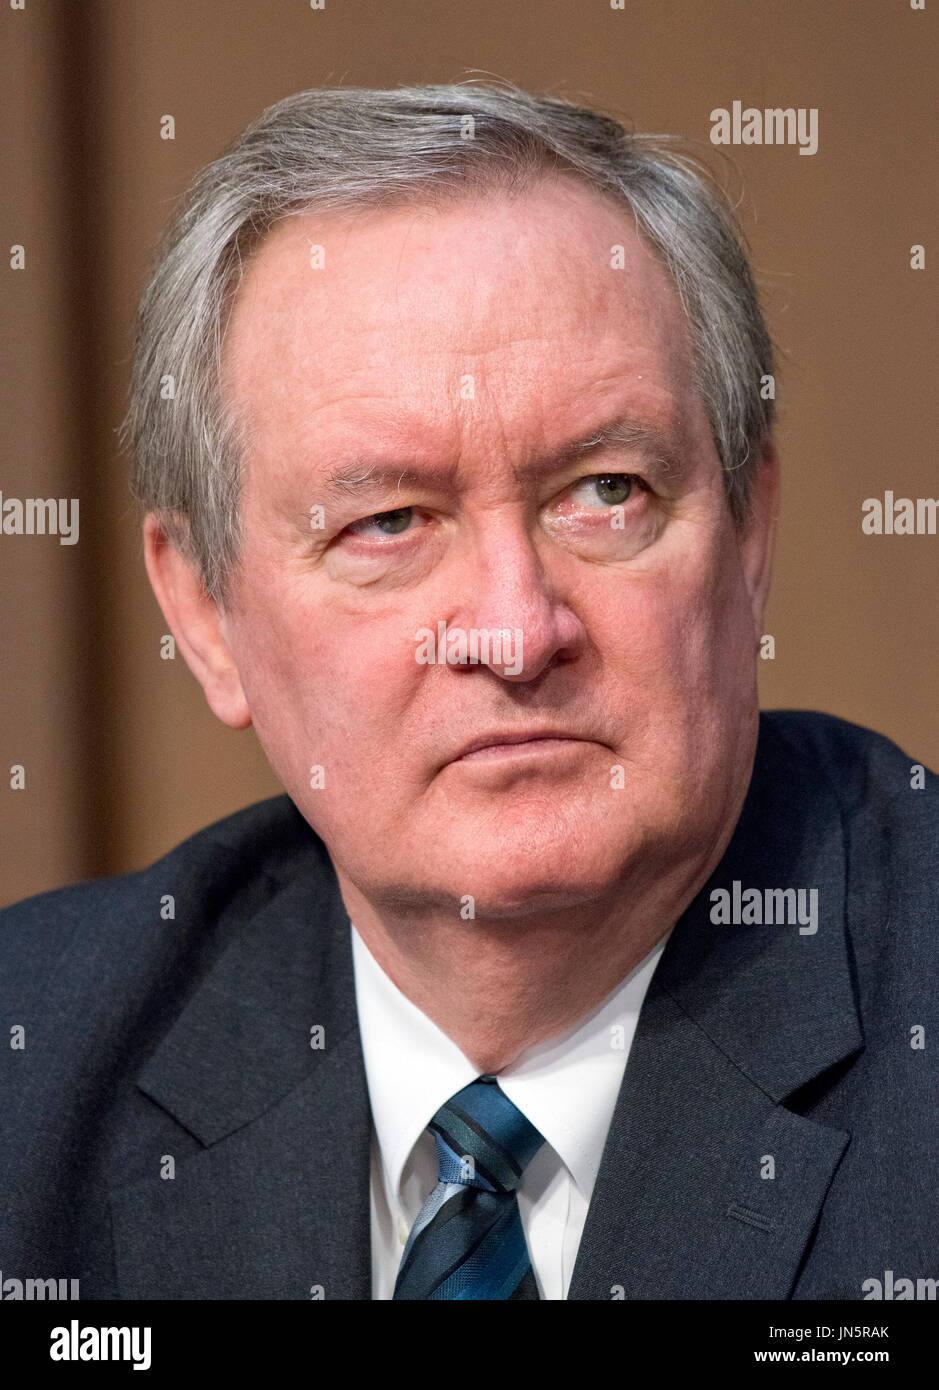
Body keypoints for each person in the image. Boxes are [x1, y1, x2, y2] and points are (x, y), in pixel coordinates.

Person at [1, 83, 936, 1302]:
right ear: (207, 616)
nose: (512, 629)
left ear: (749, 538)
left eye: (606, 492)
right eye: (389, 521)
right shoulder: (32, 1068)